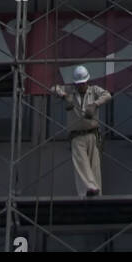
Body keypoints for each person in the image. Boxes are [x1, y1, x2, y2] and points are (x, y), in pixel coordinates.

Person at [53, 65, 112, 198]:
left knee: (94, 166)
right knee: (81, 164)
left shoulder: (94, 90)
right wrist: (64, 96)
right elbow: (53, 88)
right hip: (77, 135)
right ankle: (87, 190)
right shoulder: (70, 90)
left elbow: (107, 95)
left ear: (87, 81)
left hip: (92, 133)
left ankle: (97, 193)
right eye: (78, 84)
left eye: (83, 83)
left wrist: (95, 104)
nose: (81, 86)